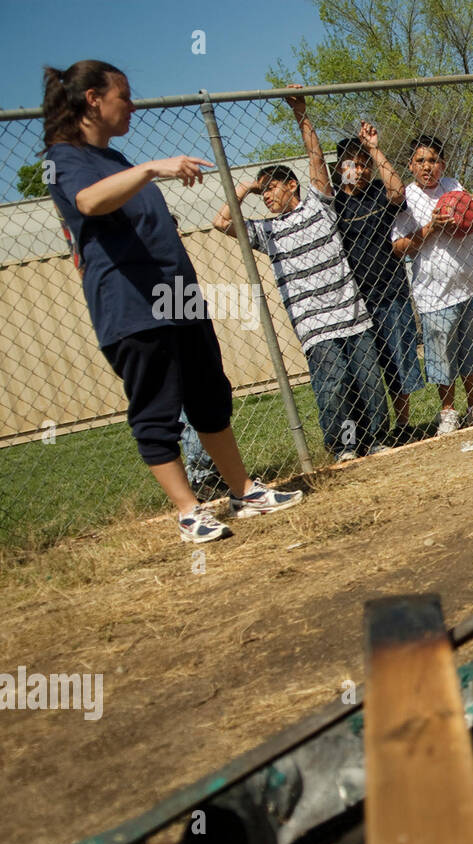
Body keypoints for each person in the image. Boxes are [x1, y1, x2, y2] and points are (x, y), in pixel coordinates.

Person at [43, 60, 301, 543]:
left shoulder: (116, 159)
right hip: (131, 304)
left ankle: (243, 491)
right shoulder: (63, 157)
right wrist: (150, 167)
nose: (133, 104)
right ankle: (188, 512)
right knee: (158, 408)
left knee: (209, 394)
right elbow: (88, 203)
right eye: (125, 95)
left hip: (176, 295)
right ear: (94, 99)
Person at [213, 88, 390, 463]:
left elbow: (315, 159)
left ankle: (375, 440)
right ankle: (344, 448)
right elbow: (222, 222)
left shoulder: (318, 206)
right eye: (264, 194)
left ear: (292, 185)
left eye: (272, 187)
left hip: (350, 312)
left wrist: (302, 115)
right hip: (314, 325)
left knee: (369, 381)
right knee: (334, 384)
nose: (268, 197)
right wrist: (246, 186)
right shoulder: (266, 231)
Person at [391, 134, 473, 435]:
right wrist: (431, 227)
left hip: (470, 282)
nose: (428, 167)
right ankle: (448, 412)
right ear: (411, 166)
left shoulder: (454, 186)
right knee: (442, 353)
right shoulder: (407, 197)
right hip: (434, 292)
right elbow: (399, 246)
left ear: (442, 164)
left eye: (433, 160)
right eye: (420, 161)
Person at [332, 124, 424, 444]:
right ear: (338, 168)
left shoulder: (377, 195)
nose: (357, 170)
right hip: (353, 301)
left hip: (390, 290)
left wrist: (373, 147)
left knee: (398, 361)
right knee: (363, 371)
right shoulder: (332, 206)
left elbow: (398, 192)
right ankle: (369, 433)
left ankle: (402, 428)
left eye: (362, 164)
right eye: (350, 164)